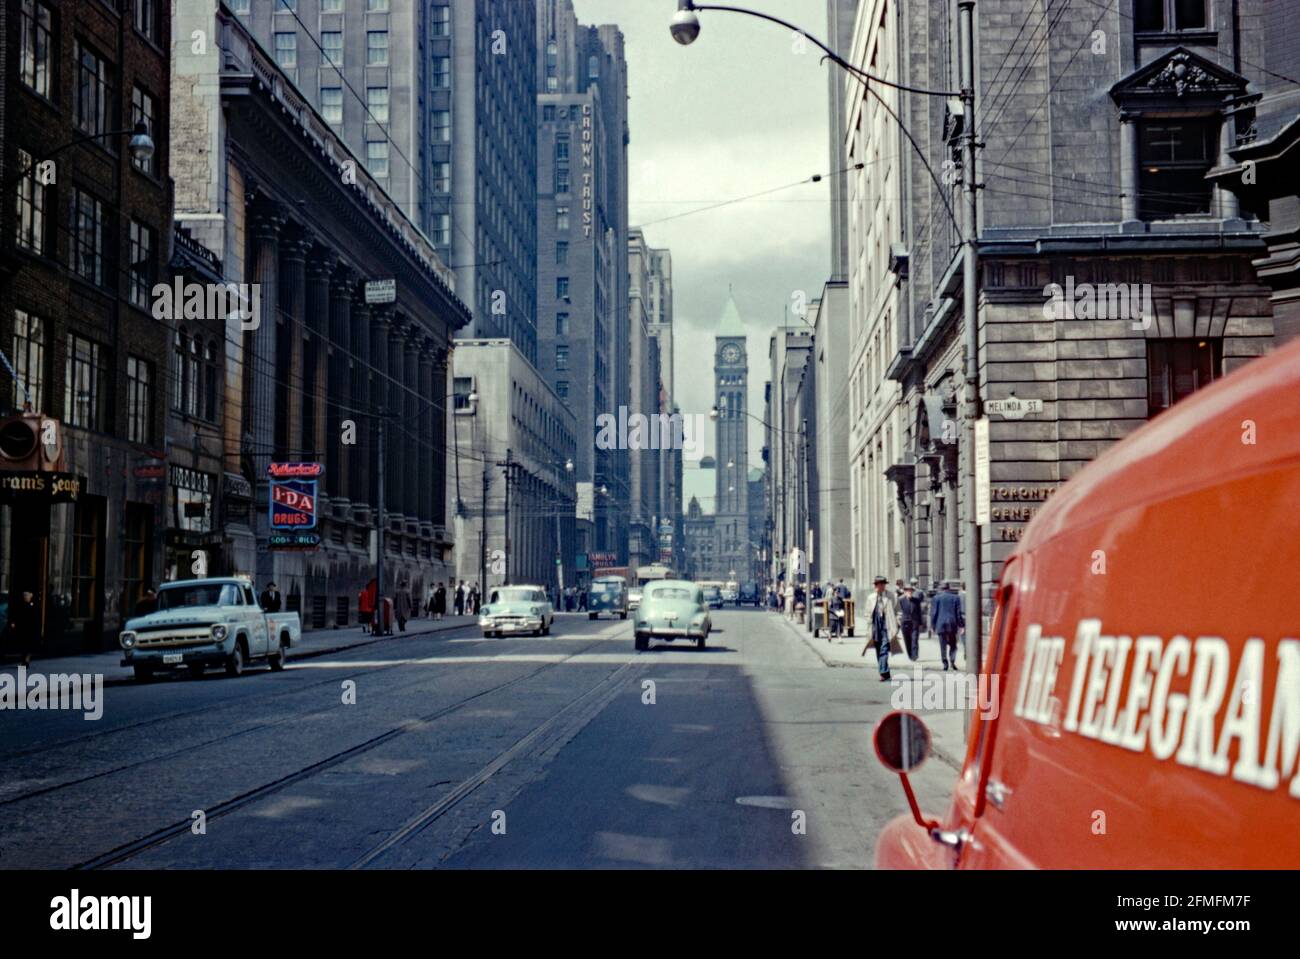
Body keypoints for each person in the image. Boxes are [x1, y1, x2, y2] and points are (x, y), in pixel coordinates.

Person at [863, 575, 900, 682]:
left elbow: (898, 611)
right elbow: (867, 612)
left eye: (882, 584)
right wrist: (869, 622)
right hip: (875, 626)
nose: (880, 586)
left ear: (884, 585)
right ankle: (886, 673)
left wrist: (897, 624)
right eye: (878, 584)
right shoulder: (871, 597)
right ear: (876, 585)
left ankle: (883, 673)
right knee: (878, 649)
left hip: (887, 625)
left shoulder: (892, 596)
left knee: (884, 649)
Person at [930, 580, 965, 671]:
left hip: (940, 624)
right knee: (953, 645)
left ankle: (945, 664)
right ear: (949, 588)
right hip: (952, 624)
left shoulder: (936, 598)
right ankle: (952, 662)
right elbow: (958, 613)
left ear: (941, 588)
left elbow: (934, 613)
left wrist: (932, 626)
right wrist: (961, 626)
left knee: (943, 645)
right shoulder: (955, 598)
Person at [6, 590, 39, 666]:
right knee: (23, 645)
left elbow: (35, 619)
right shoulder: (20, 605)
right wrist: (13, 623)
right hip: (22, 628)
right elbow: (16, 615)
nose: (25, 597)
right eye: (24, 595)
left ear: (31, 596)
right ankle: (24, 660)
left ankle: (26, 660)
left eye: (27, 595)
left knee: (28, 645)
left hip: (30, 629)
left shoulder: (33, 606)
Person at [898, 583, 924, 661]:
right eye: (908, 591)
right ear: (905, 592)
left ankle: (915, 655)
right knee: (907, 640)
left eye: (911, 591)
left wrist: (920, 623)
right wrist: (898, 622)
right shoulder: (900, 600)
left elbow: (919, 612)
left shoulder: (916, 600)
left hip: (914, 623)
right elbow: (898, 611)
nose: (909, 592)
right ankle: (910, 654)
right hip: (905, 623)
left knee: (915, 639)